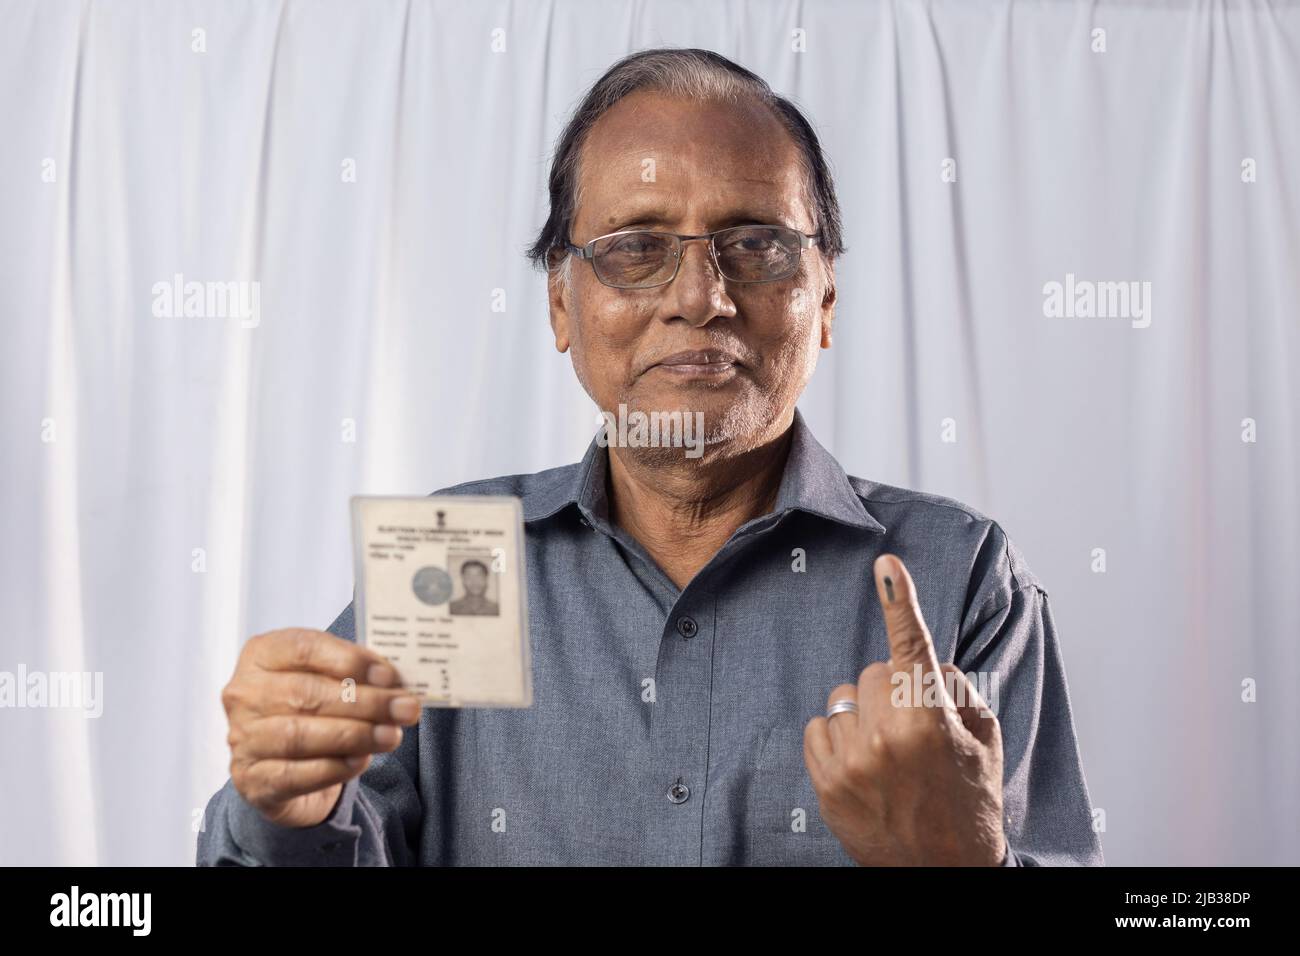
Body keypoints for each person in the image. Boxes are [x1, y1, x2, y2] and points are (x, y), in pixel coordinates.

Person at [198, 47, 1102, 866]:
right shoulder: (454, 558)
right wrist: (287, 811)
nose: (700, 297)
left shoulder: (961, 577)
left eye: (756, 245)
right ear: (561, 304)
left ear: (824, 300)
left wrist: (962, 859)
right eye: (636, 249)